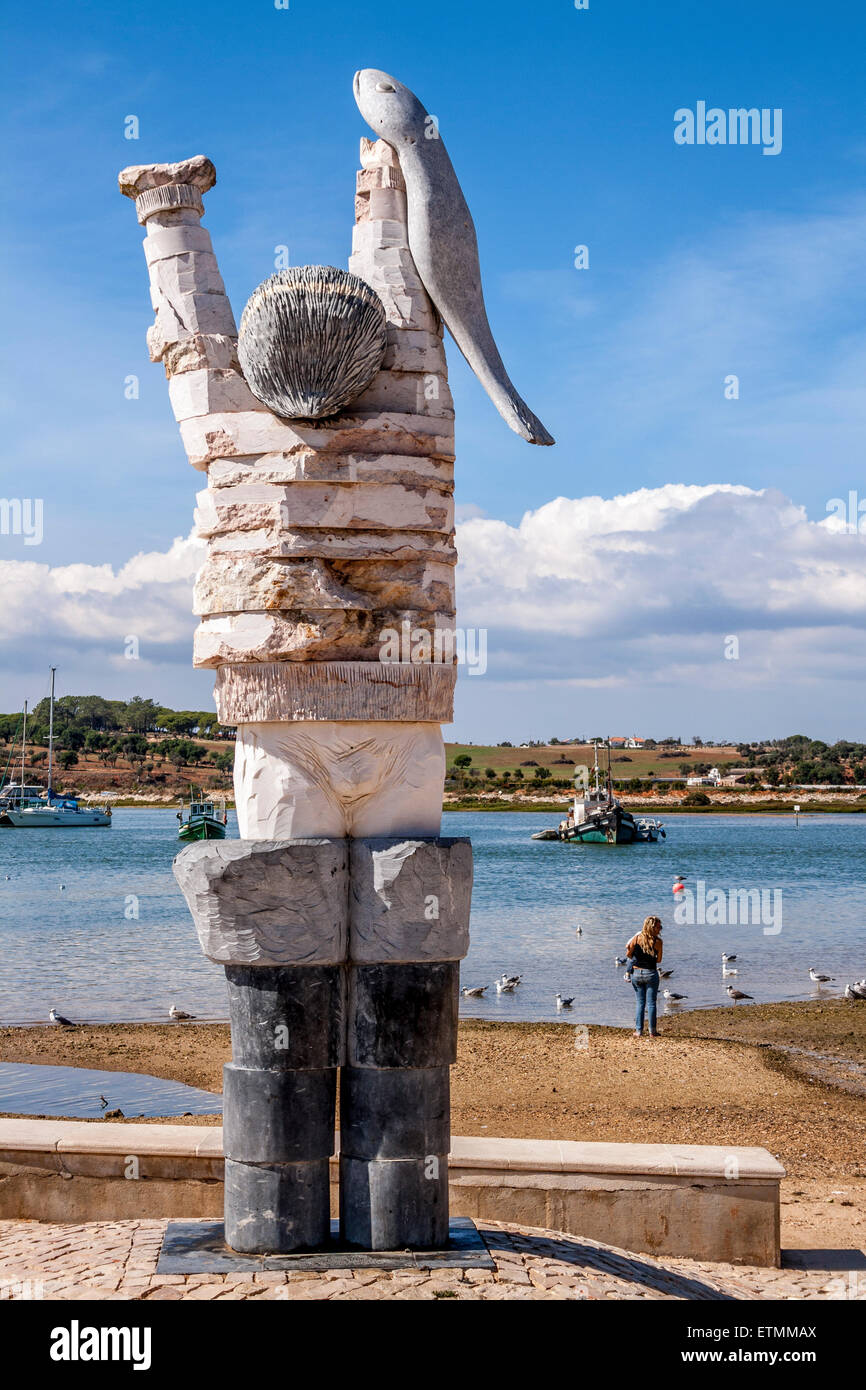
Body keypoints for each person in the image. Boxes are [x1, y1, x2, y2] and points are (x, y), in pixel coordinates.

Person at [625, 915, 663, 1039]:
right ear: (653, 928)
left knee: (640, 1003)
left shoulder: (636, 939)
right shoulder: (658, 942)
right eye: (659, 927)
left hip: (636, 974)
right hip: (651, 973)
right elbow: (659, 960)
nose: (660, 929)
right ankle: (652, 1032)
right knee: (651, 1003)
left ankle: (638, 1031)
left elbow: (629, 954)